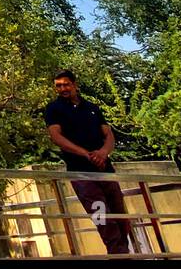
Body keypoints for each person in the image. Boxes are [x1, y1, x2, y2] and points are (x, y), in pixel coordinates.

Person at [43, 70, 132, 255]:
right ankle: (119, 255)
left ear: (74, 84)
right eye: (58, 85)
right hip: (81, 174)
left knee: (121, 217)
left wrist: (103, 153)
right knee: (103, 219)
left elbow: (108, 134)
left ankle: (123, 255)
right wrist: (85, 154)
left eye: (66, 84)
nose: (62, 88)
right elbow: (56, 136)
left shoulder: (92, 108)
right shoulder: (54, 109)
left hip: (105, 170)